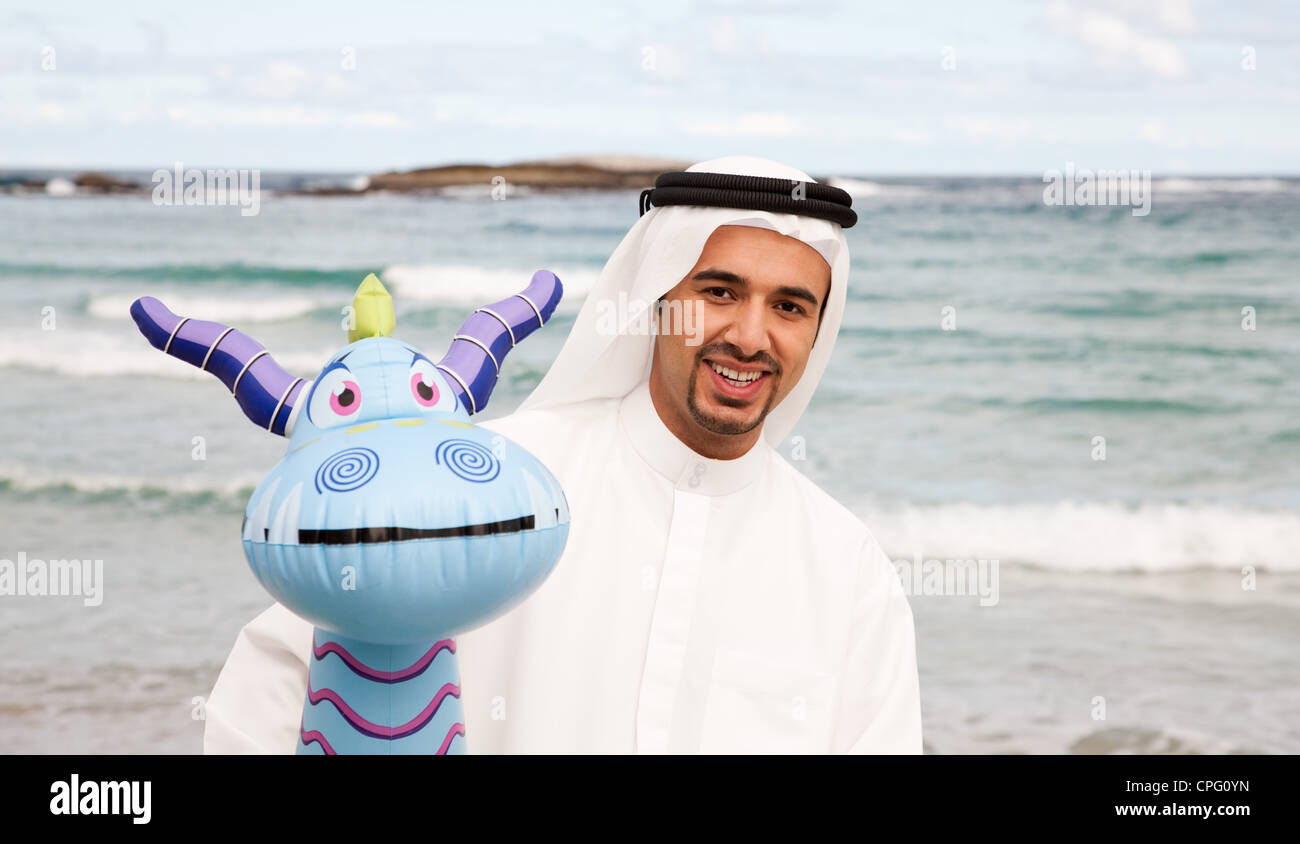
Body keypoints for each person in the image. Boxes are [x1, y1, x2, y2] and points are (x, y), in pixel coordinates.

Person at [202, 155, 923, 754]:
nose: (750, 335)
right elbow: (262, 706)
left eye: (790, 307)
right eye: (718, 291)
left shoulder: (846, 568)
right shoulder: (488, 491)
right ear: (657, 298)